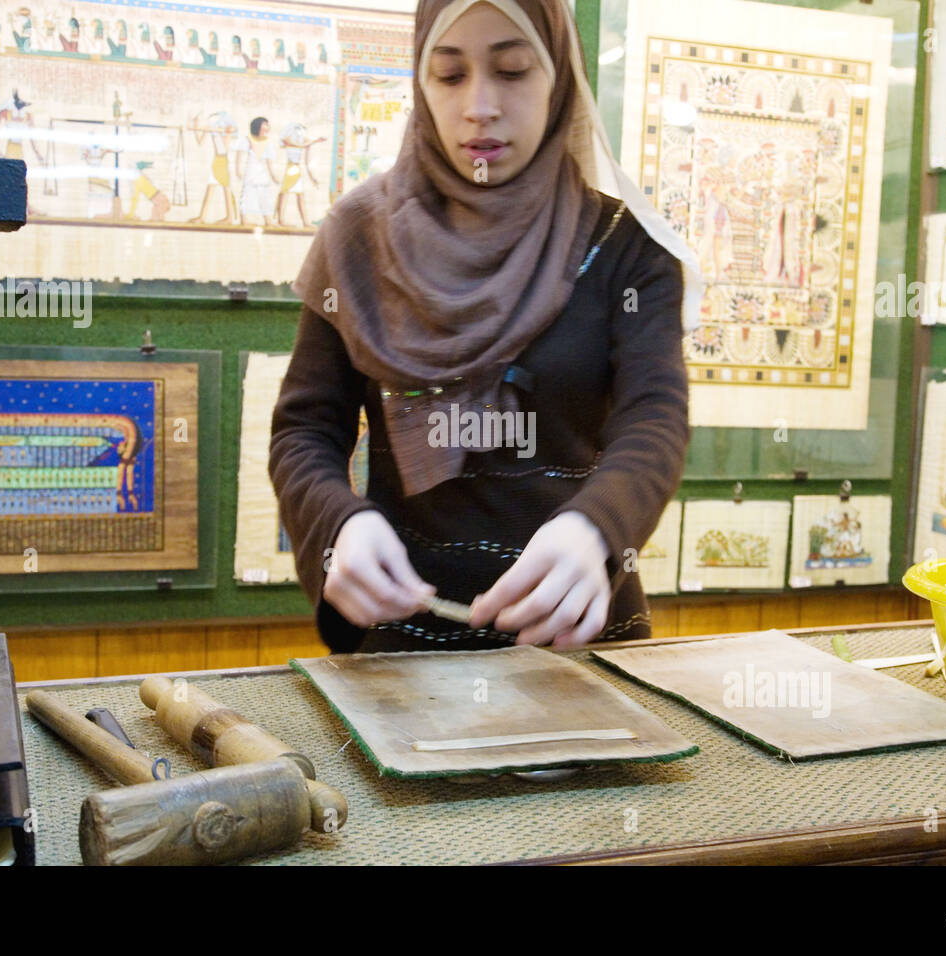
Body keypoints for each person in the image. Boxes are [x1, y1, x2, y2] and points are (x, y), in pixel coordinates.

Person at [269, 0, 703, 654]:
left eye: (514, 70)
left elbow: (653, 416)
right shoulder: (358, 241)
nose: (479, 105)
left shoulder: (626, 250)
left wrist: (595, 527)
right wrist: (338, 525)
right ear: (421, 83)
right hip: (404, 650)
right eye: (449, 76)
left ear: (559, 78)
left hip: (575, 644)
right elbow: (305, 428)